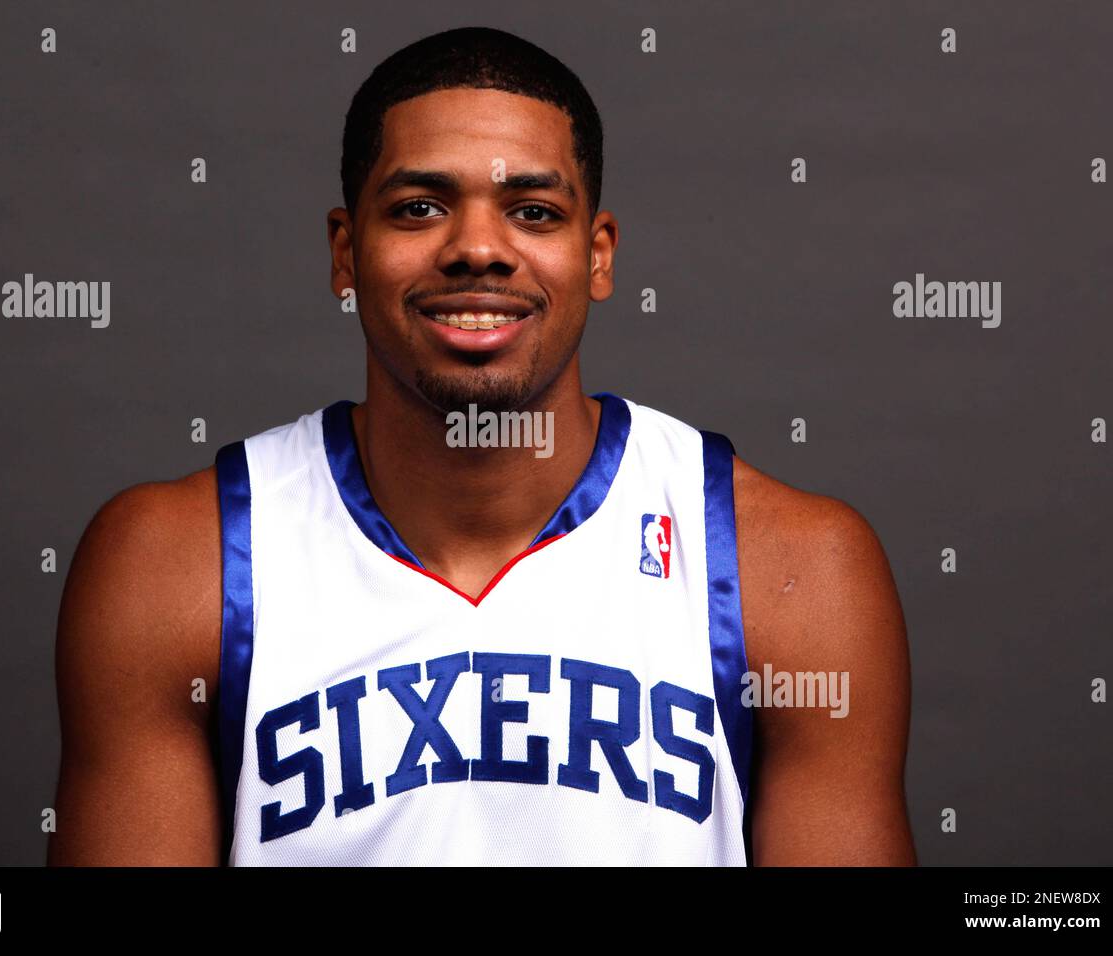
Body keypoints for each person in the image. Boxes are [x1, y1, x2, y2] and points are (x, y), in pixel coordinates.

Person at [48, 26, 916, 866]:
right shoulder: (178, 562)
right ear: (346, 253)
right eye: (420, 207)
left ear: (599, 255)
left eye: (533, 211)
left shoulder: (786, 566)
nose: (477, 249)